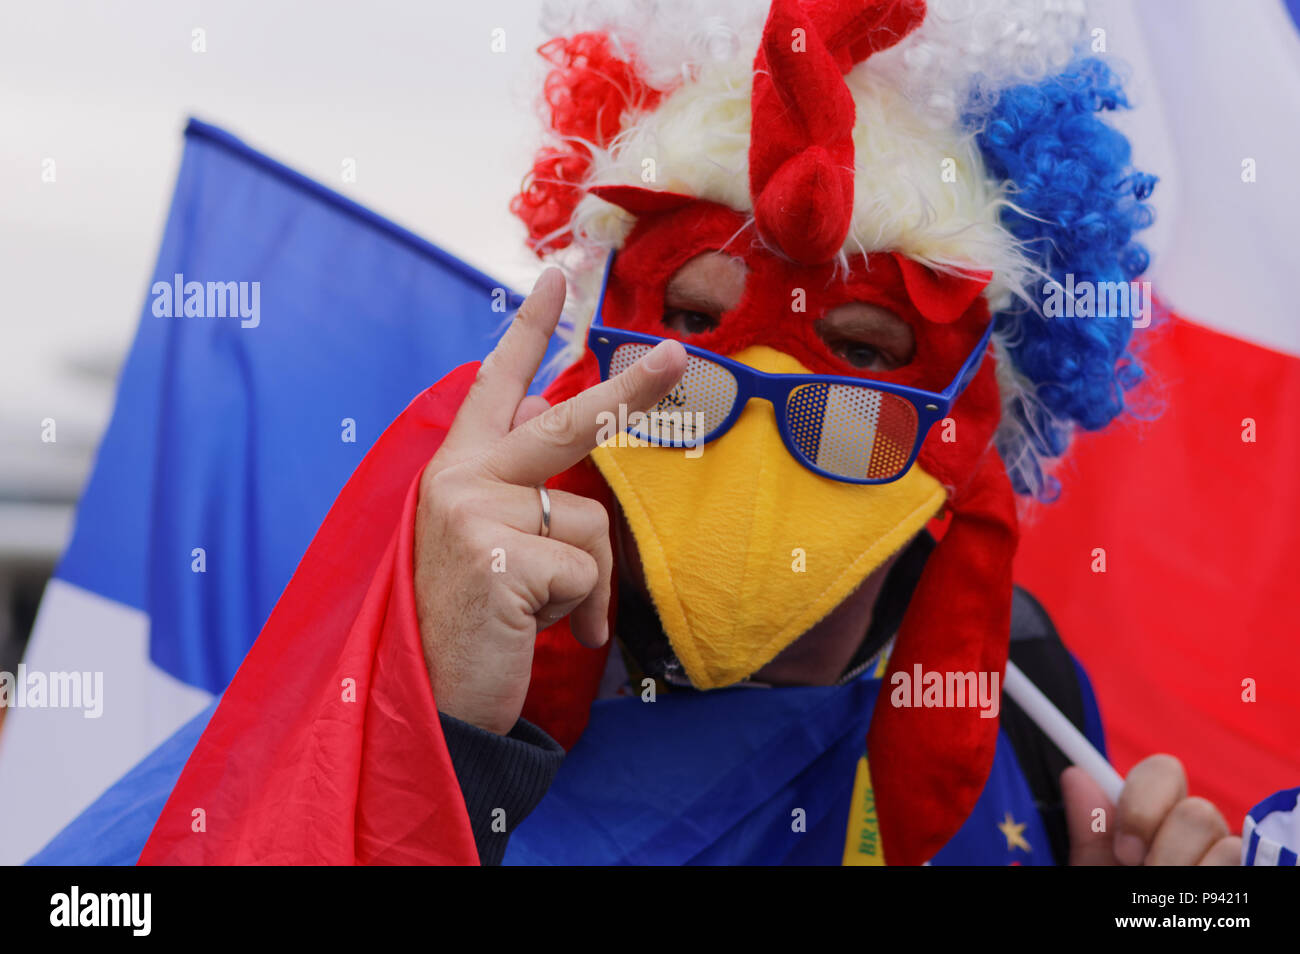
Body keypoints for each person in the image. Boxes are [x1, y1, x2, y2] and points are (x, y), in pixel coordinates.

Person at [138, 0, 1240, 866]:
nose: (753, 390)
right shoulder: (447, 619)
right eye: (695, 322)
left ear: (967, 419)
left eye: (860, 350)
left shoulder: (1027, 697)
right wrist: (442, 735)